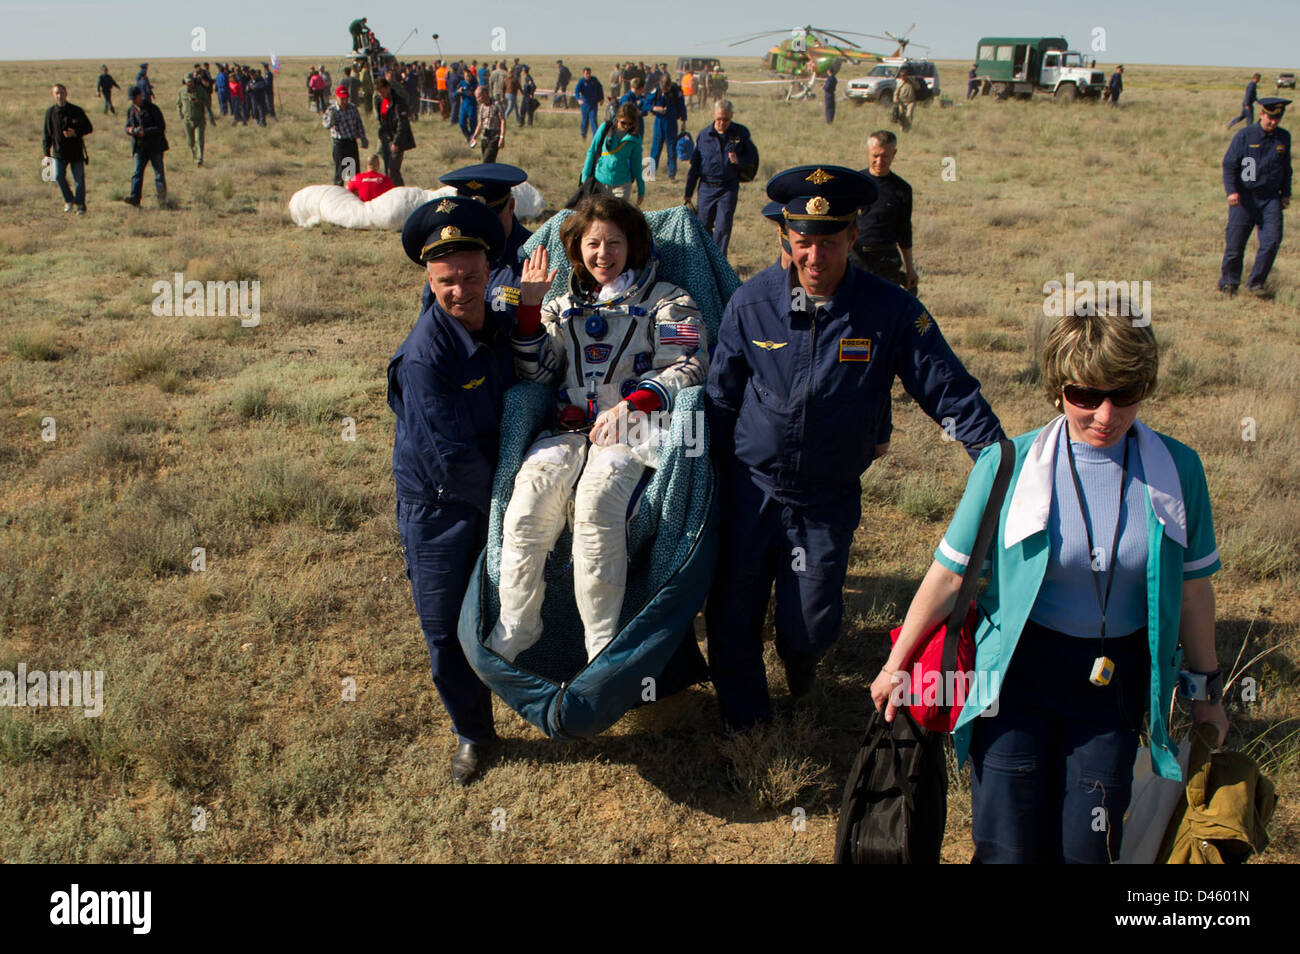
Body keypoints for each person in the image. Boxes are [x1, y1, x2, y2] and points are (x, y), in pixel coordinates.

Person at [872, 311, 1226, 864]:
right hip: (1017, 678)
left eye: (1125, 393)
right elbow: (949, 575)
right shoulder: (1005, 464)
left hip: (1114, 687)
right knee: (1007, 846)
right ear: (1057, 391)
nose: (1105, 414)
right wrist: (897, 664)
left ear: (1146, 387)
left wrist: (1206, 696)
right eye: (1085, 395)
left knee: (1088, 849)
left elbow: (1194, 591)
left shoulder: (1180, 470)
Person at [704, 165, 1004, 729]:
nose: (815, 258)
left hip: (826, 496)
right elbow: (721, 399)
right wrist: (707, 482)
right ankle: (748, 726)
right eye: (803, 244)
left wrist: (996, 458)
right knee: (732, 615)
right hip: (751, 488)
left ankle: (800, 663)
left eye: (830, 243)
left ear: (853, 236)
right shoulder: (752, 303)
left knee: (811, 624)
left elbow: (947, 387)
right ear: (784, 239)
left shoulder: (888, 310)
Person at [488, 193, 708, 665]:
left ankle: (601, 645)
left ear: (634, 246)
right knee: (527, 503)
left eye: (614, 243)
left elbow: (689, 364)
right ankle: (518, 626)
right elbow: (537, 373)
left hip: (635, 433)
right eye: (593, 243)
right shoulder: (561, 304)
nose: (603, 254)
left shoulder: (668, 300)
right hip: (567, 433)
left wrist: (634, 405)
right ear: (577, 249)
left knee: (595, 506)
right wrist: (529, 309)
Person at [389, 195, 514, 787]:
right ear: (429, 279)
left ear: (489, 271)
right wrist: (512, 500)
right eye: (445, 281)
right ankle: (473, 732)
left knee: (503, 608)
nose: (459, 292)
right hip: (440, 509)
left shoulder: (499, 328)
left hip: (495, 488)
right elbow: (450, 459)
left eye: (469, 277)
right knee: (443, 628)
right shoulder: (424, 357)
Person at [1219, 97, 1291, 297]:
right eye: (1270, 117)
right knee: (1235, 244)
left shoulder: (1283, 138)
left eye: (1278, 118)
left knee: (1272, 242)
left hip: (1270, 199)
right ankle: (1229, 282)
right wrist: (1231, 191)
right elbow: (1229, 165)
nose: (1274, 122)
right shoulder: (1245, 136)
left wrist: (1286, 194)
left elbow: (1286, 168)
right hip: (1244, 198)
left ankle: (1256, 283)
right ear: (1262, 114)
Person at [683, 99, 755, 258]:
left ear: (731, 116)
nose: (722, 123)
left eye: (726, 120)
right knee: (703, 226)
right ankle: (704, 261)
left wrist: (739, 161)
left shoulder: (740, 134)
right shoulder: (703, 136)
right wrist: (688, 192)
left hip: (728, 188)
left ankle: (719, 263)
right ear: (714, 116)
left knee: (723, 228)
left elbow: (752, 159)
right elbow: (694, 166)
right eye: (719, 119)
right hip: (706, 188)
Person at [851, 130, 917, 293]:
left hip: (886, 260)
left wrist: (910, 267)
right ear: (868, 153)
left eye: (885, 156)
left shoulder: (902, 189)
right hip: (855, 257)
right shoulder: (854, 184)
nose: (879, 161)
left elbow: (904, 231)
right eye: (875, 156)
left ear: (894, 154)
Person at [580, 104, 645, 205]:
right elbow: (592, 151)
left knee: (617, 219)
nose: (627, 127)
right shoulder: (605, 128)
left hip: (622, 186)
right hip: (600, 182)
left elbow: (636, 165)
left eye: (630, 124)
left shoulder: (635, 139)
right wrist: (585, 177)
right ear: (618, 118)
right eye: (623, 123)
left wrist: (641, 189)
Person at [43, 84, 93, 215]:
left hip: (76, 152)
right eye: (57, 93)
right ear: (53, 95)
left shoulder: (76, 110)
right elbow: (47, 134)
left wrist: (75, 132)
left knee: (79, 180)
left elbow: (89, 128)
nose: (59, 95)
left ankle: (80, 205)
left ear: (66, 93)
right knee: (58, 176)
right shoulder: (50, 113)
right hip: (59, 152)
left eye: (62, 92)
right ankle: (69, 200)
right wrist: (46, 154)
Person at [123, 84, 167, 207]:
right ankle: (135, 199)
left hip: (155, 146)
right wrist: (130, 130)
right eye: (130, 99)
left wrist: (145, 131)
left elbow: (161, 127)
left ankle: (162, 201)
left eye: (133, 98)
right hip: (139, 147)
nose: (132, 101)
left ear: (140, 96)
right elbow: (126, 127)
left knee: (159, 174)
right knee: (137, 173)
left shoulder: (153, 109)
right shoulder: (131, 110)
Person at [322, 85, 369, 186]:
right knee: (341, 173)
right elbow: (326, 125)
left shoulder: (352, 108)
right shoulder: (332, 110)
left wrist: (363, 138)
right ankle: (338, 195)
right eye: (342, 98)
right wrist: (331, 120)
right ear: (337, 97)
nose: (344, 101)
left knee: (354, 174)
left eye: (346, 98)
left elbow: (359, 124)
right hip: (340, 144)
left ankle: (354, 194)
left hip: (351, 143)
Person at [642, 74, 686, 181]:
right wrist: (655, 108)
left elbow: (682, 106)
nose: (665, 90)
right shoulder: (657, 91)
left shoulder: (676, 92)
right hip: (659, 123)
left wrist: (684, 121)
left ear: (670, 85)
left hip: (671, 124)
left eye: (666, 88)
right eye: (663, 88)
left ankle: (672, 174)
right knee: (655, 149)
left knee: (671, 149)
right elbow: (645, 104)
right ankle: (650, 174)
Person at [375, 77, 414, 185]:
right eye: (378, 93)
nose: (380, 95)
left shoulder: (398, 102)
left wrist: (396, 142)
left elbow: (403, 123)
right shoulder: (379, 101)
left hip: (397, 140)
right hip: (386, 139)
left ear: (387, 88)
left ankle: (401, 192)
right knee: (387, 170)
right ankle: (391, 192)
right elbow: (381, 120)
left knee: (393, 170)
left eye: (382, 92)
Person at [176, 76, 206, 166]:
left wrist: (198, 102)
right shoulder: (181, 91)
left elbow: (207, 102)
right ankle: (194, 156)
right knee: (190, 141)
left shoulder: (200, 90)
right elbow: (178, 104)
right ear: (185, 83)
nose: (190, 84)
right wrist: (180, 114)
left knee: (199, 139)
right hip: (188, 120)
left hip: (199, 119)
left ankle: (199, 159)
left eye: (191, 82)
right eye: (188, 82)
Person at [469, 86, 505, 163]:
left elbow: (502, 120)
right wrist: (474, 137)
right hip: (485, 136)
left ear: (485, 94)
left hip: (494, 136)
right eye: (476, 98)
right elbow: (480, 124)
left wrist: (502, 137)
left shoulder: (497, 104)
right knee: (490, 162)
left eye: (479, 97)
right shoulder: (481, 107)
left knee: (486, 161)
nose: (478, 99)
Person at [575, 67, 603, 140]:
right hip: (585, 105)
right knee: (585, 120)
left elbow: (600, 88)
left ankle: (596, 137)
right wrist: (578, 99)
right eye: (586, 74)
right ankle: (583, 134)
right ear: (583, 74)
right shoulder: (581, 82)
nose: (588, 75)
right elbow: (576, 91)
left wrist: (601, 98)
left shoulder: (594, 80)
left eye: (589, 73)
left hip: (593, 104)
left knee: (593, 120)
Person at [894, 66, 917, 132]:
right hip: (901, 102)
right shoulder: (900, 83)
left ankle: (908, 128)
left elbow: (918, 87)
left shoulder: (911, 82)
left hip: (911, 102)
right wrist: (895, 99)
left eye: (904, 75)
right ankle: (902, 127)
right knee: (901, 116)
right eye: (901, 75)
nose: (903, 76)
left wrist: (912, 81)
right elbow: (896, 92)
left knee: (909, 115)